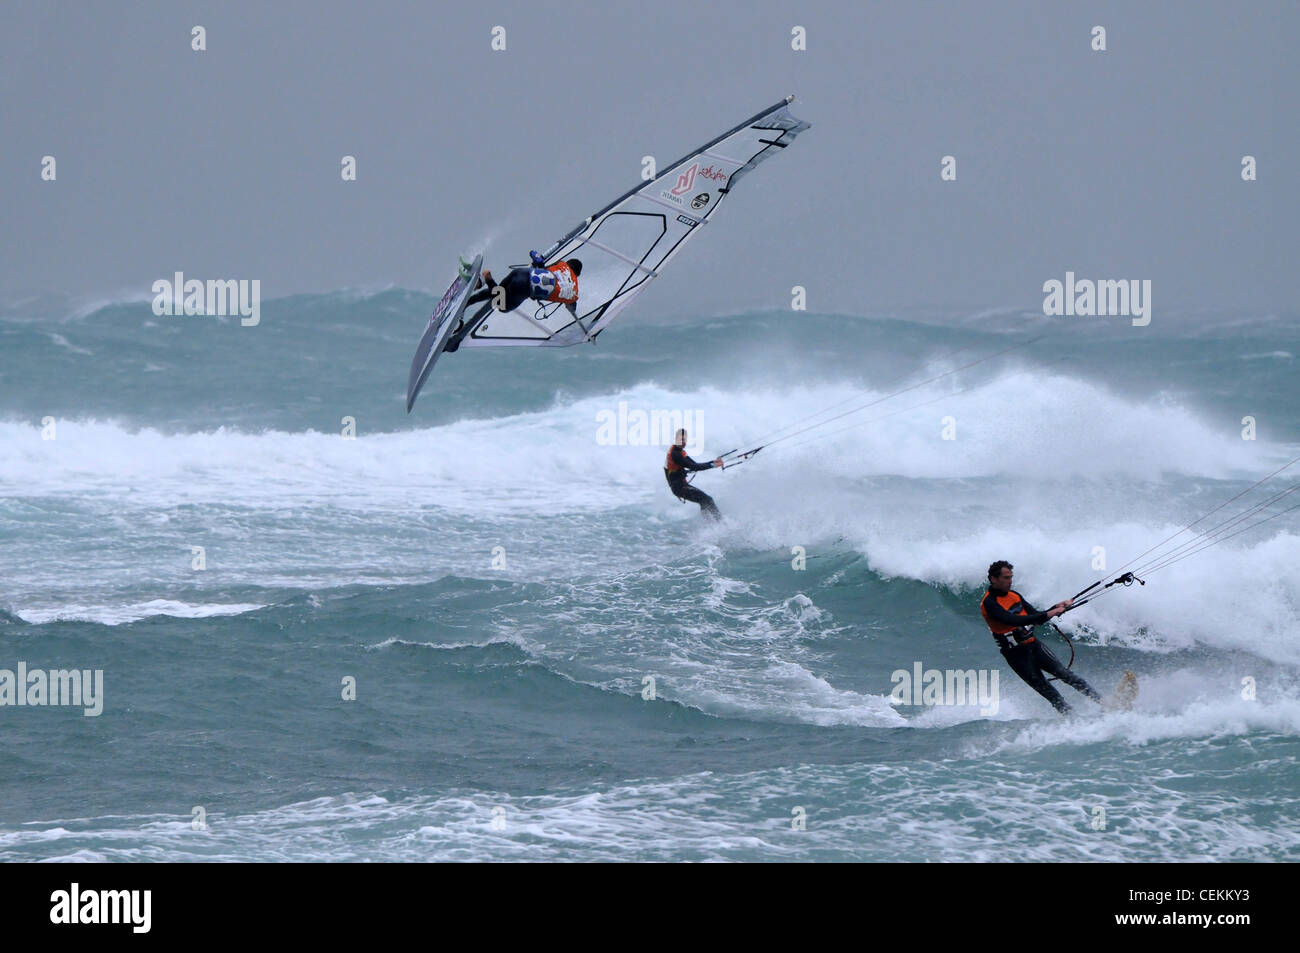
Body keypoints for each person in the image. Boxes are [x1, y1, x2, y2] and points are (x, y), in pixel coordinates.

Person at [979, 560, 1102, 714]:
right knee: (1050, 694)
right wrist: (1049, 613)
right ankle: (1075, 720)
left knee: (1066, 675)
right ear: (993, 579)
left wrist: (1057, 607)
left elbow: (1035, 616)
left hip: (1034, 646)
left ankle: (1104, 703)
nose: (1010, 581)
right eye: (1005, 578)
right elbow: (1013, 620)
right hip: (1016, 655)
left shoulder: (1014, 595)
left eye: (1011, 577)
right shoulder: (989, 603)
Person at [664, 428, 723, 520]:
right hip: (679, 488)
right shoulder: (675, 454)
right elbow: (694, 467)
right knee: (707, 500)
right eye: (681, 439)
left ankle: (709, 524)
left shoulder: (679, 451)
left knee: (704, 500)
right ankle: (721, 523)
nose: (683, 442)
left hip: (681, 485)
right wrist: (712, 465)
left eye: (685, 439)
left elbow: (694, 464)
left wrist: (713, 462)